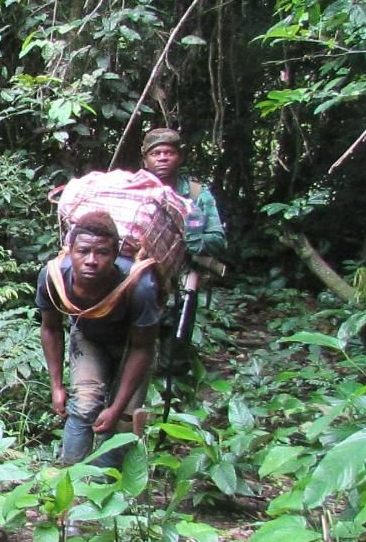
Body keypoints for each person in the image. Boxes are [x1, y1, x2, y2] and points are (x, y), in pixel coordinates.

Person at [37, 211, 160, 468]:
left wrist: (117, 407)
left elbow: (142, 347)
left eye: (102, 253)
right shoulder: (53, 278)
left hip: (131, 345)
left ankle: (106, 491)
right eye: (83, 251)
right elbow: (51, 329)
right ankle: (71, 483)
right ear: (70, 250)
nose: (91, 260)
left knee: (122, 420)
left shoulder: (140, 285)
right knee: (83, 407)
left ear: (115, 254)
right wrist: (56, 385)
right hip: (89, 336)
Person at [140, 128, 226, 260]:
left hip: (184, 269)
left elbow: (218, 240)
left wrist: (193, 235)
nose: (162, 158)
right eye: (155, 153)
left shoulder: (196, 194)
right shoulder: (135, 191)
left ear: (180, 158)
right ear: (145, 161)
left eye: (169, 153)